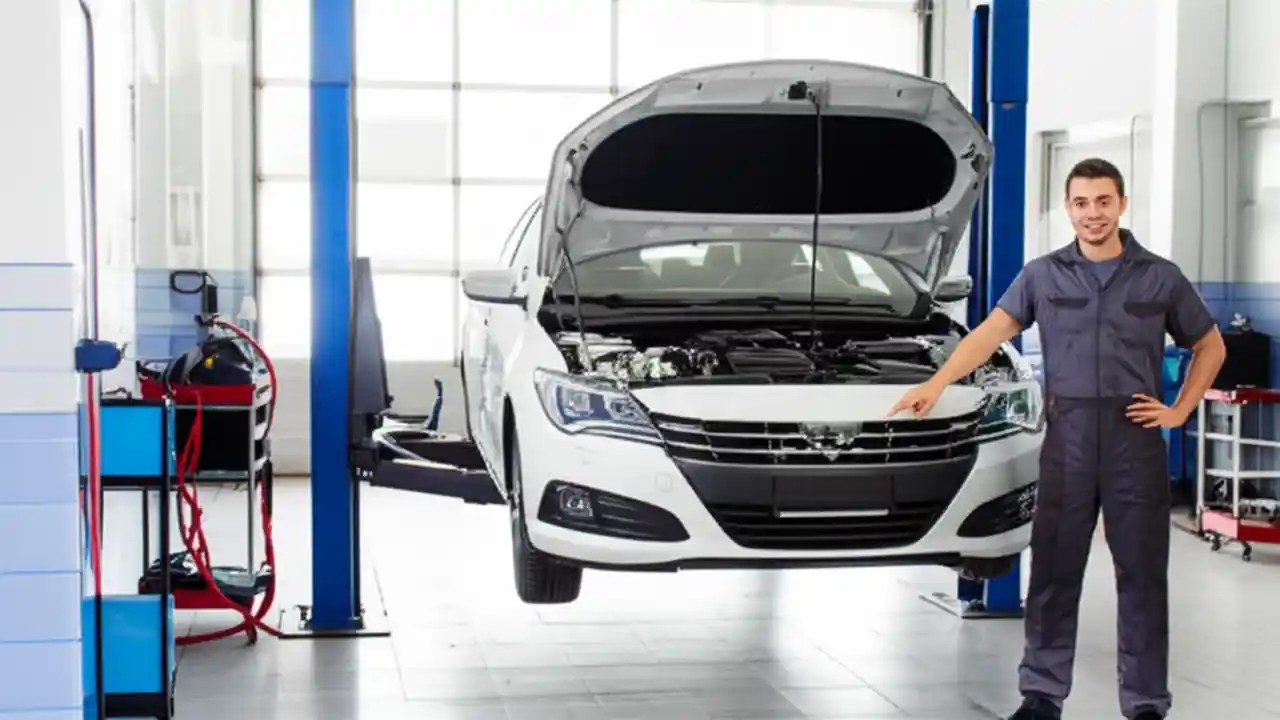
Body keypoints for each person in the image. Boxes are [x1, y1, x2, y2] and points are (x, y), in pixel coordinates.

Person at [891, 158, 1227, 720]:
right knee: (1052, 570)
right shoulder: (1043, 275)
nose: (1092, 213)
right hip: (1067, 438)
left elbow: (1210, 345)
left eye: (1102, 201)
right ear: (1068, 208)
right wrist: (936, 382)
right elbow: (990, 333)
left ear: (1122, 204)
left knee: (1142, 574)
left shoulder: (1160, 276)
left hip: (1134, 441)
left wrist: (1179, 411)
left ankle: (1145, 701)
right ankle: (1042, 696)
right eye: (1080, 203)